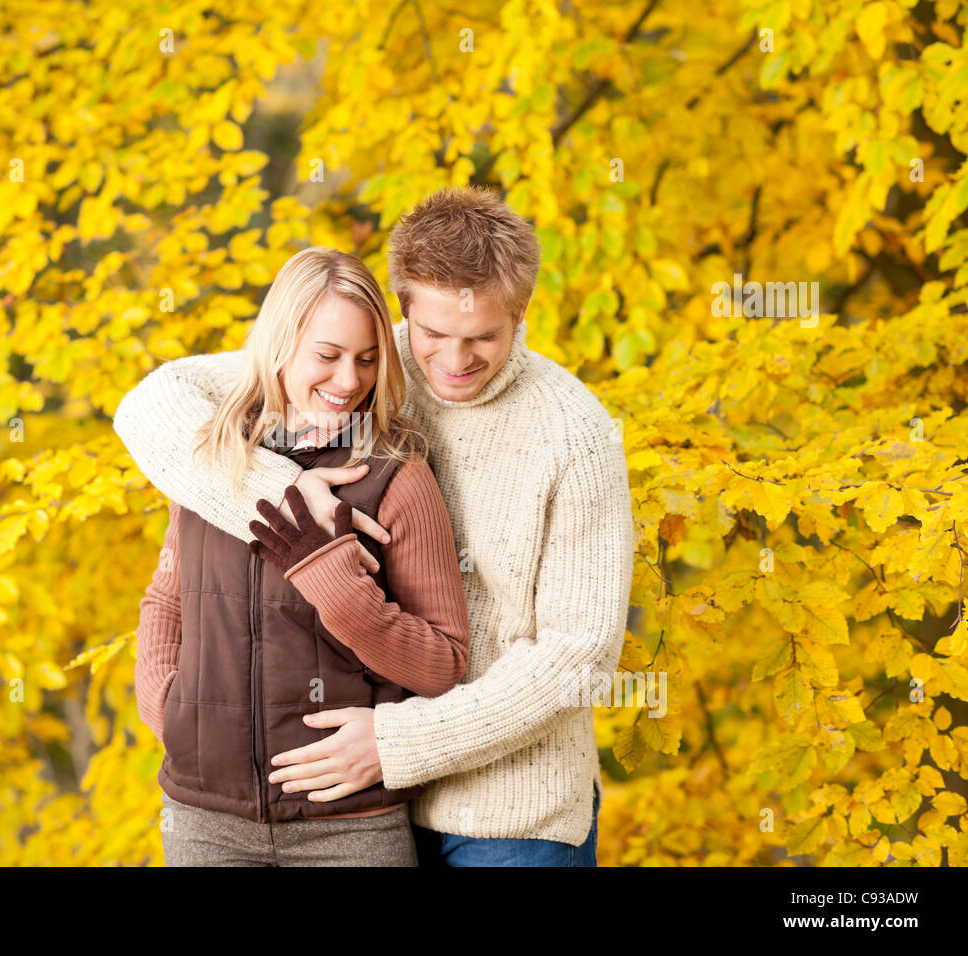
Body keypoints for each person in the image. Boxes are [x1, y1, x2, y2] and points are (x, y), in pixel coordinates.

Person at [116, 186, 637, 867]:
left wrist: (400, 743)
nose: (454, 362)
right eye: (434, 336)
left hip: (506, 811)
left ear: (521, 312)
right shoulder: (362, 363)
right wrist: (289, 493)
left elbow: (579, 657)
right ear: (404, 310)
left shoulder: (575, 433)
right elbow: (151, 405)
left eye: (483, 336)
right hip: (359, 804)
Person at [129, 246, 470, 866]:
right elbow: (167, 598)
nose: (349, 380)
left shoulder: (397, 474)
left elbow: (442, 662)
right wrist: (170, 712)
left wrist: (337, 585)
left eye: (368, 359)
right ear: (280, 343)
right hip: (203, 821)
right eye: (328, 355)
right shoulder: (213, 454)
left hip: (349, 828)